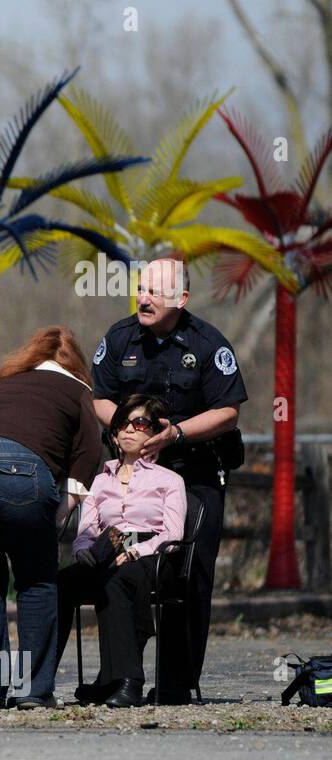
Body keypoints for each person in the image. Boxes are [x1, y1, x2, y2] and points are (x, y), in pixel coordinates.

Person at [90, 258, 247, 704]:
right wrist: (130, 431)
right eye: (141, 289)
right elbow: (98, 398)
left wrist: (174, 434)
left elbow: (229, 410)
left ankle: (176, 682)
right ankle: (119, 677)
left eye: (155, 292)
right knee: (117, 560)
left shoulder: (208, 343)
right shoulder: (119, 339)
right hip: (131, 474)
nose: (144, 298)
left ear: (181, 299)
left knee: (189, 570)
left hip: (193, 474)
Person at [0, 326, 103, 710]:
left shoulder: (3, 383)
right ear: (75, 365)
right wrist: (65, 507)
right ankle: (33, 691)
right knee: (37, 580)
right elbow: (90, 454)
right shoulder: (78, 390)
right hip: (15, 468)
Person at [55, 395, 187, 708]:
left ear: (154, 433)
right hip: (106, 550)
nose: (128, 429)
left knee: (116, 577)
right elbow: (86, 532)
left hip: (154, 556)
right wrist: (83, 550)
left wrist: (137, 551)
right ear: (113, 435)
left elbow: (173, 534)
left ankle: (128, 682)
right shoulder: (98, 482)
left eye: (139, 423)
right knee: (59, 584)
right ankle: (39, 679)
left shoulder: (170, 480)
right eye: (122, 424)